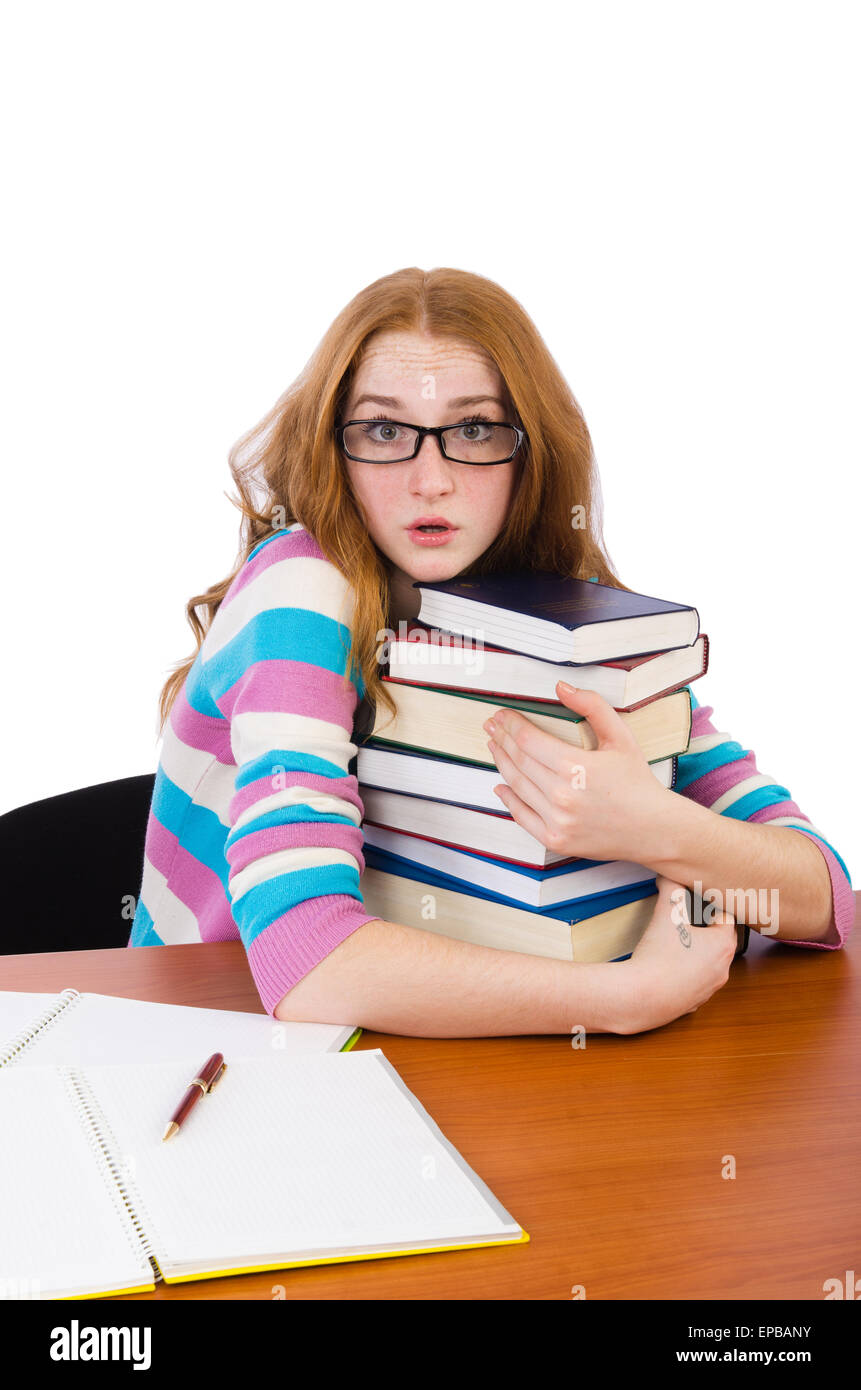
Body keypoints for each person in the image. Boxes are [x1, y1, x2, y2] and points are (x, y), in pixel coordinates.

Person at [128, 267, 854, 1036]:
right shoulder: (301, 585)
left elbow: (823, 899)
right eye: (382, 431)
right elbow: (309, 965)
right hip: (214, 1042)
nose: (429, 480)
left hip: (446, 1046)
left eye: (474, 429)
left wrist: (658, 830)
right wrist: (633, 995)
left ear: (527, 452)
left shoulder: (557, 617)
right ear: (332, 448)